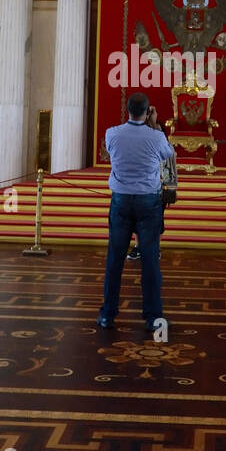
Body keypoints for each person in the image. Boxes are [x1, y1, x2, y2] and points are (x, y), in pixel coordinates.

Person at [98, 92, 175, 330]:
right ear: (147, 111)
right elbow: (168, 156)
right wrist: (153, 125)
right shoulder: (157, 136)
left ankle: (107, 314)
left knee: (115, 260)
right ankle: (153, 317)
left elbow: (113, 151)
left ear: (128, 110)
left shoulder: (112, 133)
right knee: (150, 262)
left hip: (120, 200)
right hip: (148, 202)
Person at [126, 105, 174, 261]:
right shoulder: (140, 146)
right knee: (137, 219)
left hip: (158, 189)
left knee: (156, 220)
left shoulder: (166, 148)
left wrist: (171, 187)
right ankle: (139, 247)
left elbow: (170, 168)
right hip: (139, 187)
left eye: (159, 132)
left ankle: (155, 248)